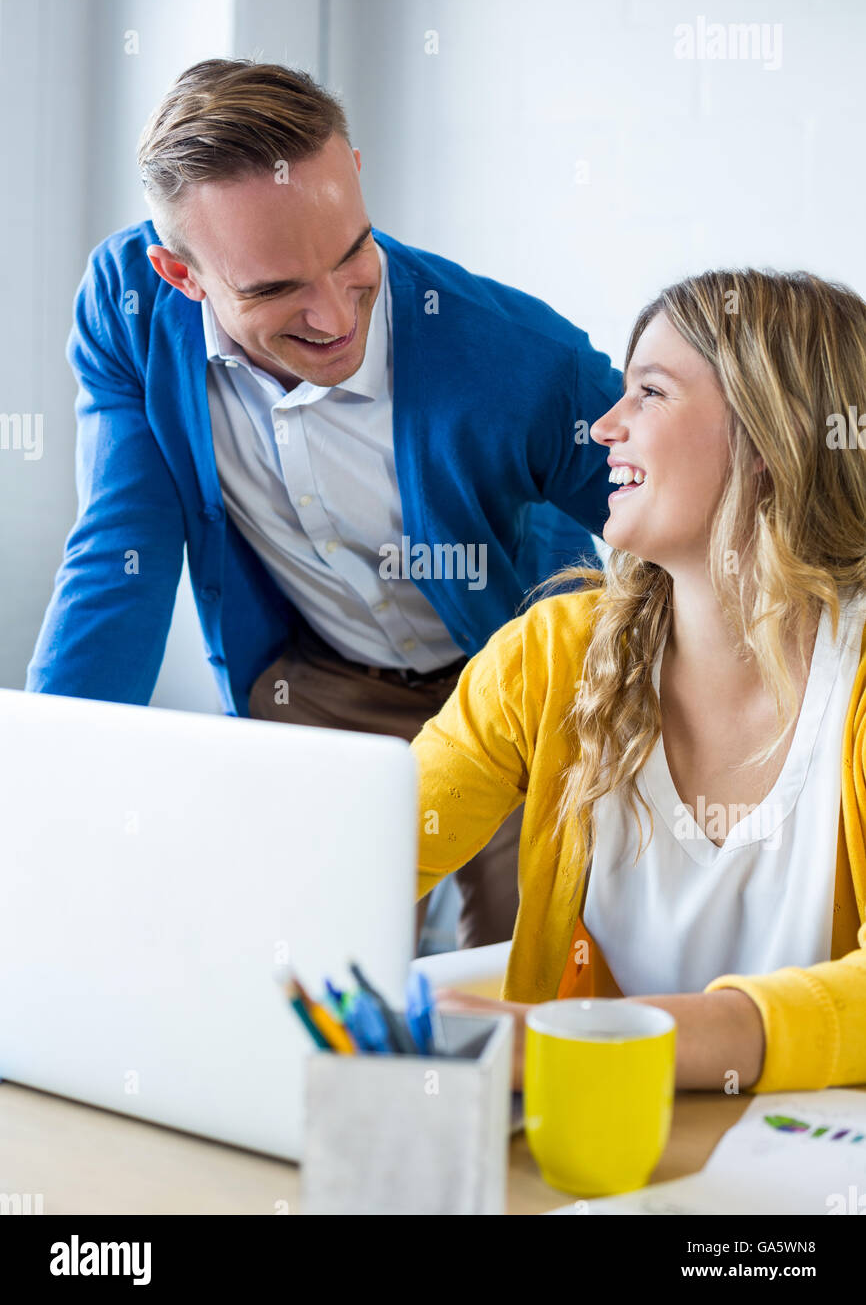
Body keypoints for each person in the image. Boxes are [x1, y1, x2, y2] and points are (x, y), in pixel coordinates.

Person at [24, 58, 621, 950]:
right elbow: (119, 552)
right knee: (298, 971)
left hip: (512, 696)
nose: (335, 315)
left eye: (352, 256)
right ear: (180, 275)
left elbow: (690, 524)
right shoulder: (128, 304)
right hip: (319, 687)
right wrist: (46, 787)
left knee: (516, 983)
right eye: (273, 290)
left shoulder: (520, 358)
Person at [411, 267, 866, 1092]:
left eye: (650, 394)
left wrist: (612, 1043)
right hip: (595, 1167)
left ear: (771, 437)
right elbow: (375, 848)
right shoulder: (547, 660)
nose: (605, 426)